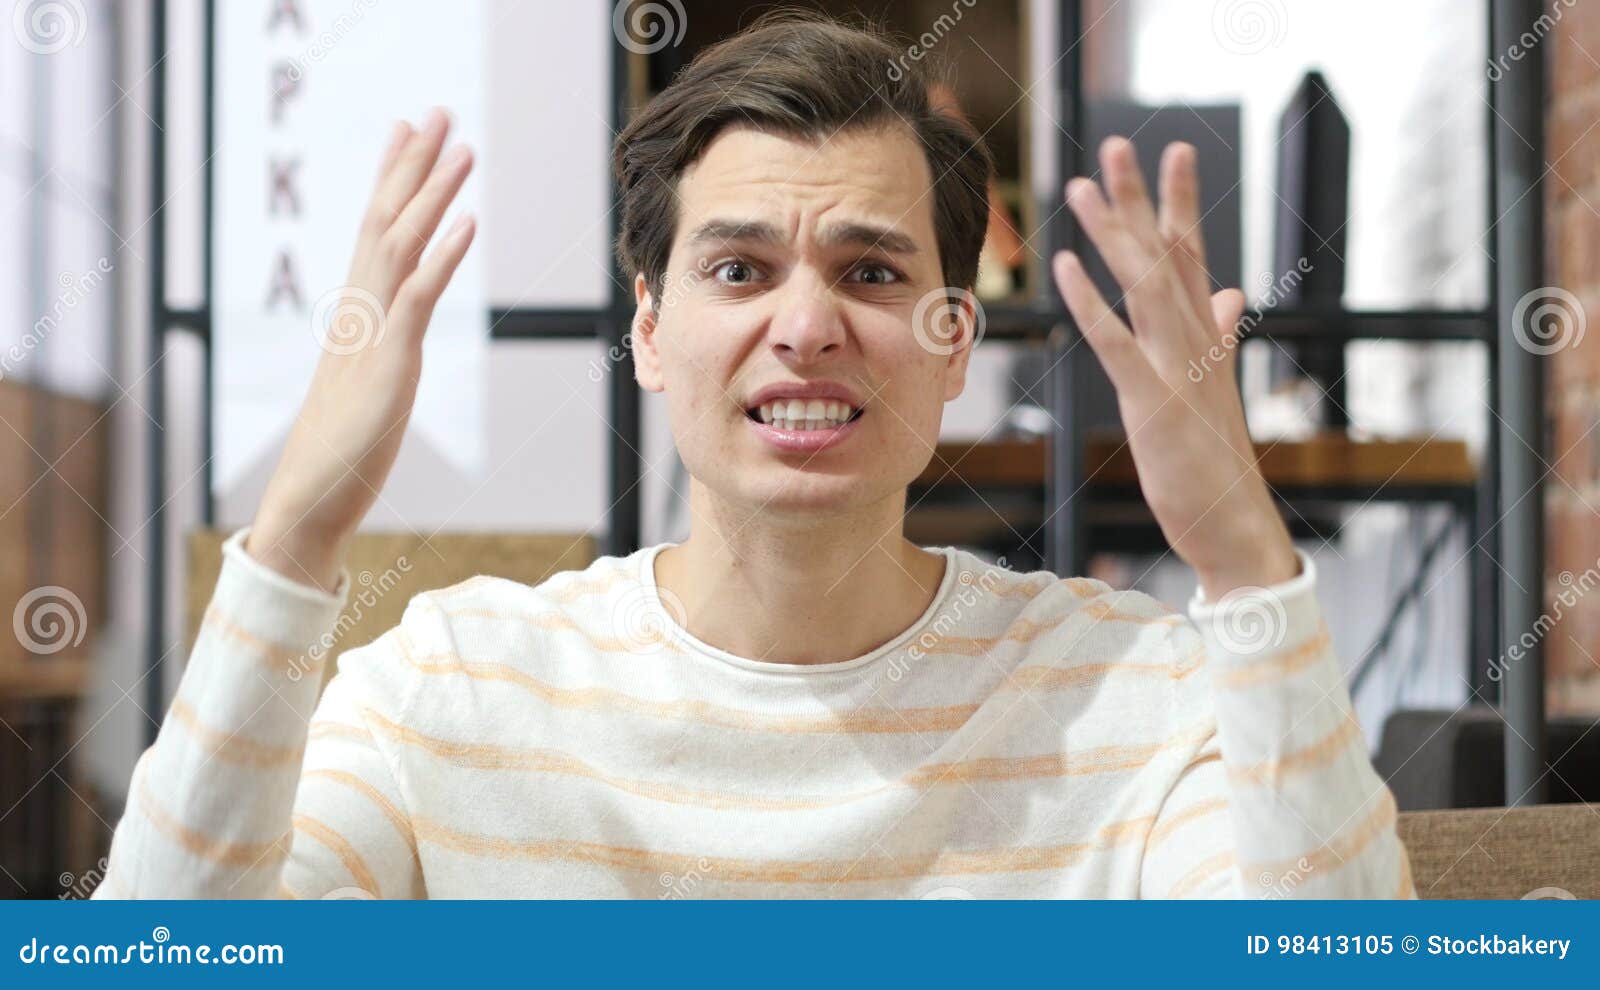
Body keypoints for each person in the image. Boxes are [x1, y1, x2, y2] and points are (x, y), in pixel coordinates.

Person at [96, 12, 1413, 899]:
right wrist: (294, 537)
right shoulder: (453, 685)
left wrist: (1244, 560)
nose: (804, 325)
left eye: (871, 269)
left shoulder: (1135, 696)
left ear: (956, 340)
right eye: (739, 268)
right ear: (653, 330)